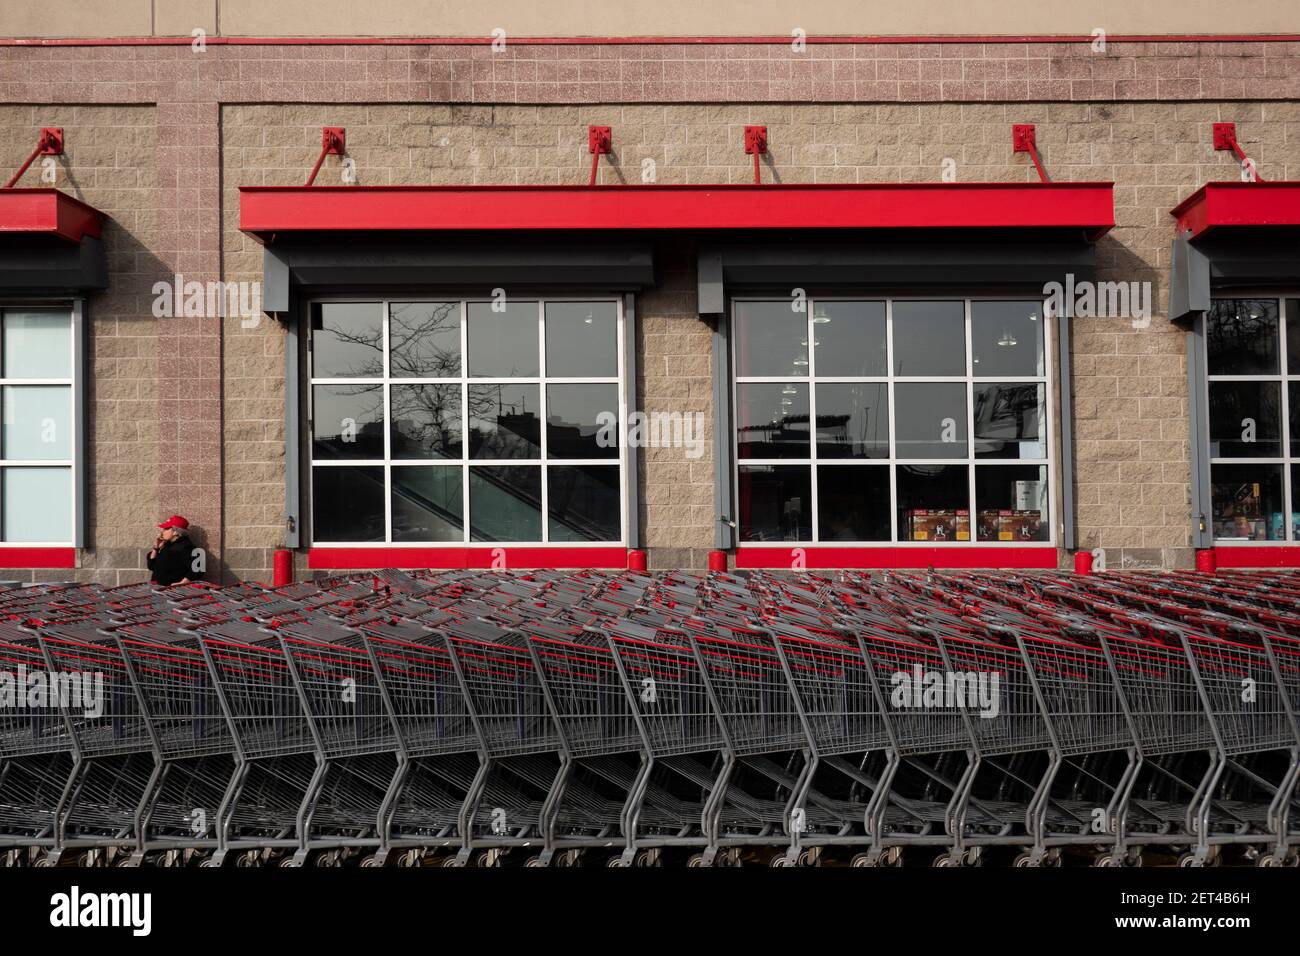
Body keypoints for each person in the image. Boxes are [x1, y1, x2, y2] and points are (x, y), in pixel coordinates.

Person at [147, 515, 202, 586]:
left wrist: (182, 583)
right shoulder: (166, 545)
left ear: (175, 532)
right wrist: (156, 548)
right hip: (158, 590)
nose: (162, 531)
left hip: (173, 593)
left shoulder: (186, 547)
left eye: (166, 529)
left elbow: (199, 569)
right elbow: (151, 566)